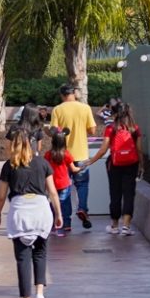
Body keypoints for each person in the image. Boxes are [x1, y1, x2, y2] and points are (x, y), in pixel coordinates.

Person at [0, 129, 63, 298]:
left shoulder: (9, 165)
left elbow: (1, 195)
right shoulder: (42, 163)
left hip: (20, 212)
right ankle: (40, 294)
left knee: (23, 258)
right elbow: (53, 192)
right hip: (41, 211)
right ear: (31, 144)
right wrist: (59, 213)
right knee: (40, 253)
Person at [86, 98, 144, 236]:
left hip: (114, 164)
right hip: (132, 164)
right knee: (129, 194)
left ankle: (114, 225)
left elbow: (103, 149)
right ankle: (126, 226)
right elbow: (139, 150)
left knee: (115, 193)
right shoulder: (135, 128)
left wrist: (90, 161)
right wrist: (141, 165)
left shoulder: (111, 128)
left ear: (115, 112)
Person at [50, 83, 96, 231]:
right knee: (82, 185)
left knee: (64, 188)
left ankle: (66, 221)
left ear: (62, 95)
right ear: (74, 93)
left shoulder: (57, 110)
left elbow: (54, 131)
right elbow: (93, 130)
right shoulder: (85, 108)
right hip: (81, 154)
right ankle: (82, 208)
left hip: (63, 156)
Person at [44, 128, 80, 235]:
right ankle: (67, 224)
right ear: (64, 141)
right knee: (65, 203)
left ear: (53, 141)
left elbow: (45, 168)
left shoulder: (48, 155)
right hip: (64, 184)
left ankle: (54, 224)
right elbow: (73, 169)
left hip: (52, 184)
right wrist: (82, 168)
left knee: (53, 203)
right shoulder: (66, 154)